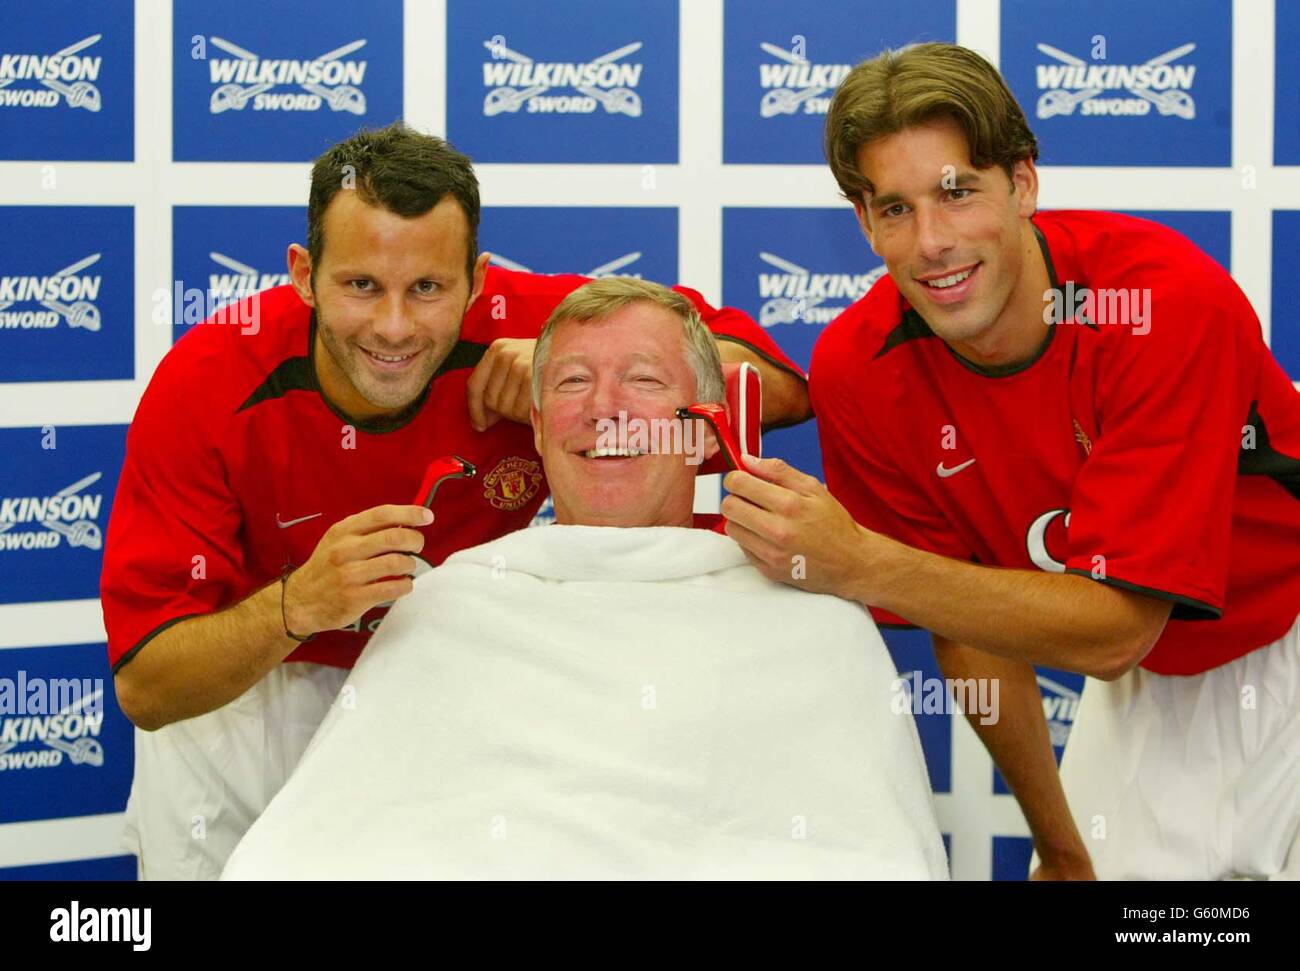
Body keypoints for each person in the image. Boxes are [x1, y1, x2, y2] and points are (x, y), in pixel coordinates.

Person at [101, 124, 810, 880]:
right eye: (362, 285)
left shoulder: (539, 321)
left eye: (429, 289)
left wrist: (558, 360)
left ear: (476, 279)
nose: (395, 326)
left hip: (441, 684)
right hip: (252, 693)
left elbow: (779, 388)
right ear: (304, 274)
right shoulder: (206, 379)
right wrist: (298, 604)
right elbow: (146, 685)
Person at [722, 42, 1300, 880]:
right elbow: (965, 617)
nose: (932, 243)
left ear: (1023, 184)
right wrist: (1063, 850)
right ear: (863, 223)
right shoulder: (858, 365)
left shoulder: (1162, 301)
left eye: (957, 193)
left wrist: (861, 561)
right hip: (1158, 676)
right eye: (895, 210)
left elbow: (1114, 628)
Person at [220, 278, 948, 880]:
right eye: (574, 381)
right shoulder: (446, 605)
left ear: (705, 427)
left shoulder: (810, 624)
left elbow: (874, 858)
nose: (605, 408)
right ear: (537, 427)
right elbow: (308, 854)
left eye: (642, 379)